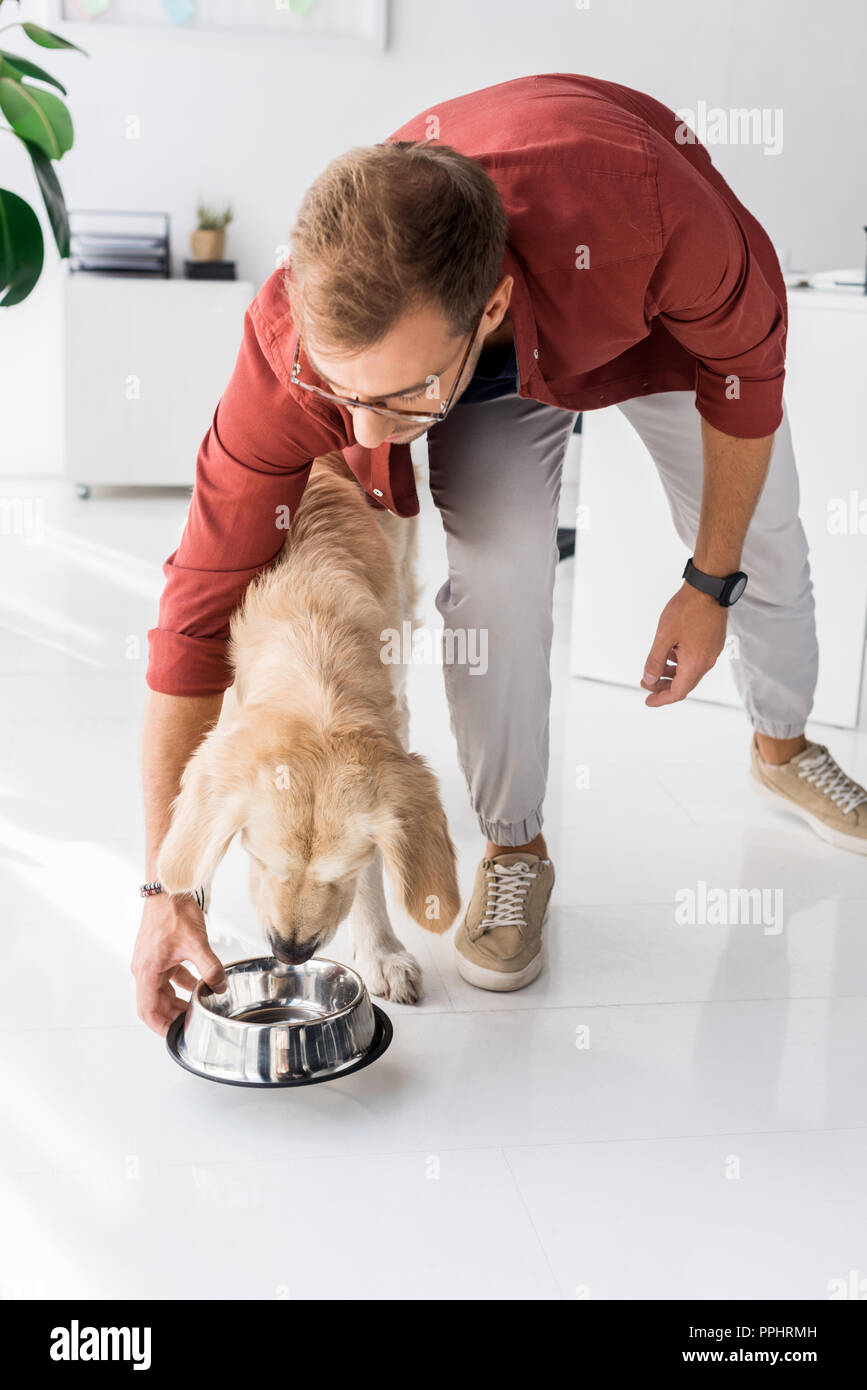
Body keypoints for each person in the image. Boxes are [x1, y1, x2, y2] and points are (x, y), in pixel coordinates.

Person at [132, 74, 867, 1033]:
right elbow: (192, 616)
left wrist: (707, 578)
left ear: (487, 309)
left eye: (390, 400)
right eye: (341, 393)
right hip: (481, 378)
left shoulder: (660, 221)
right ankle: (514, 850)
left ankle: (783, 747)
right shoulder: (297, 347)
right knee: (500, 583)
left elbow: (745, 377)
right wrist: (163, 893)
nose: (362, 436)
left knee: (765, 537)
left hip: (645, 323)